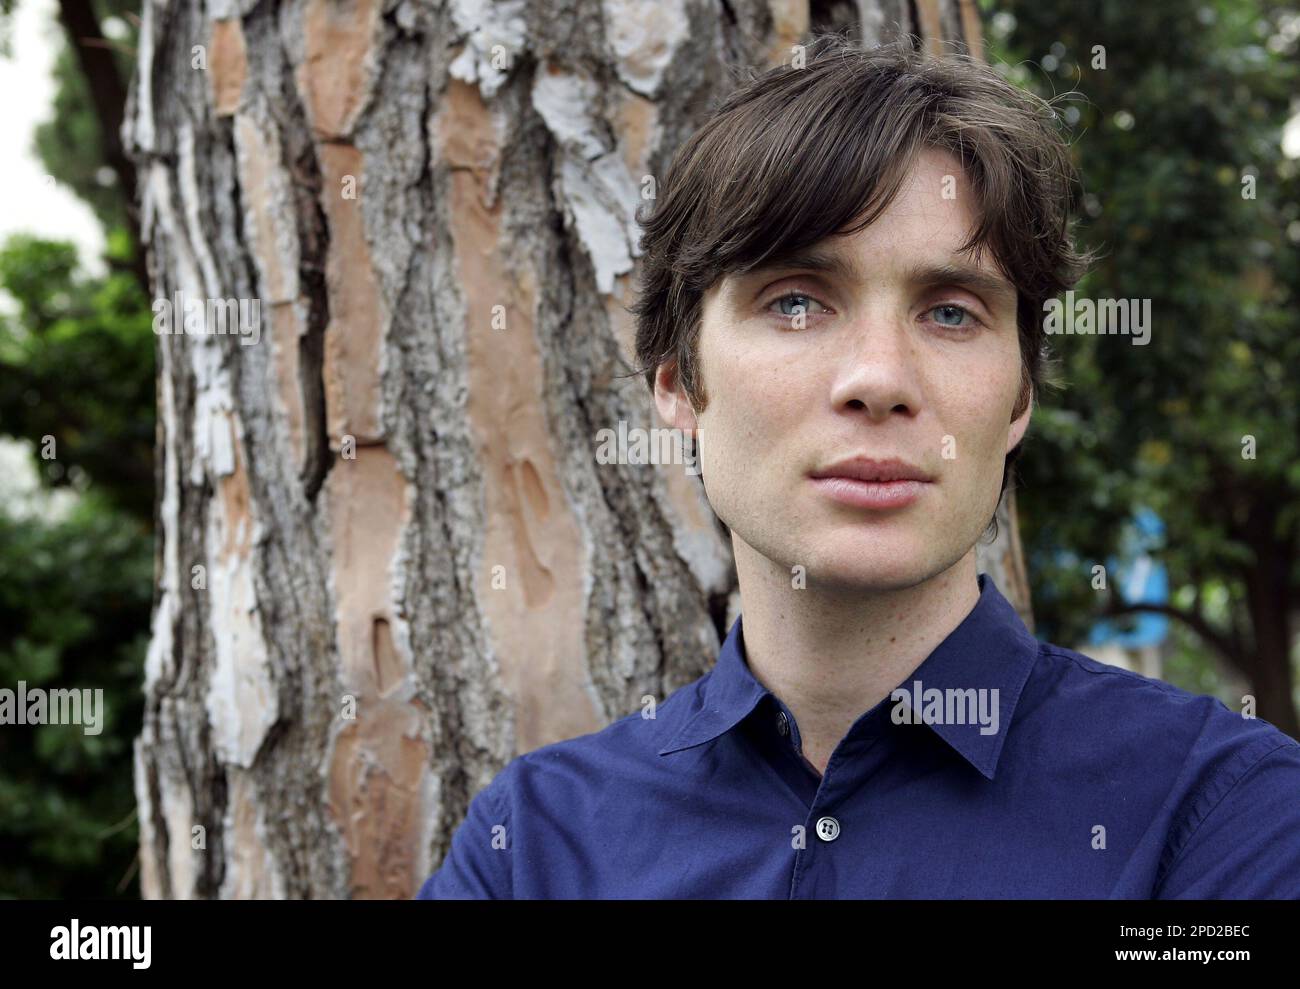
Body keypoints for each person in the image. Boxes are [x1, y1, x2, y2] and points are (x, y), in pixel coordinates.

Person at [416, 34, 1300, 899]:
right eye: (796, 301)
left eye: (952, 312)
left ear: (1020, 397)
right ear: (680, 381)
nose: (879, 379)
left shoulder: (1227, 815)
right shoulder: (534, 845)